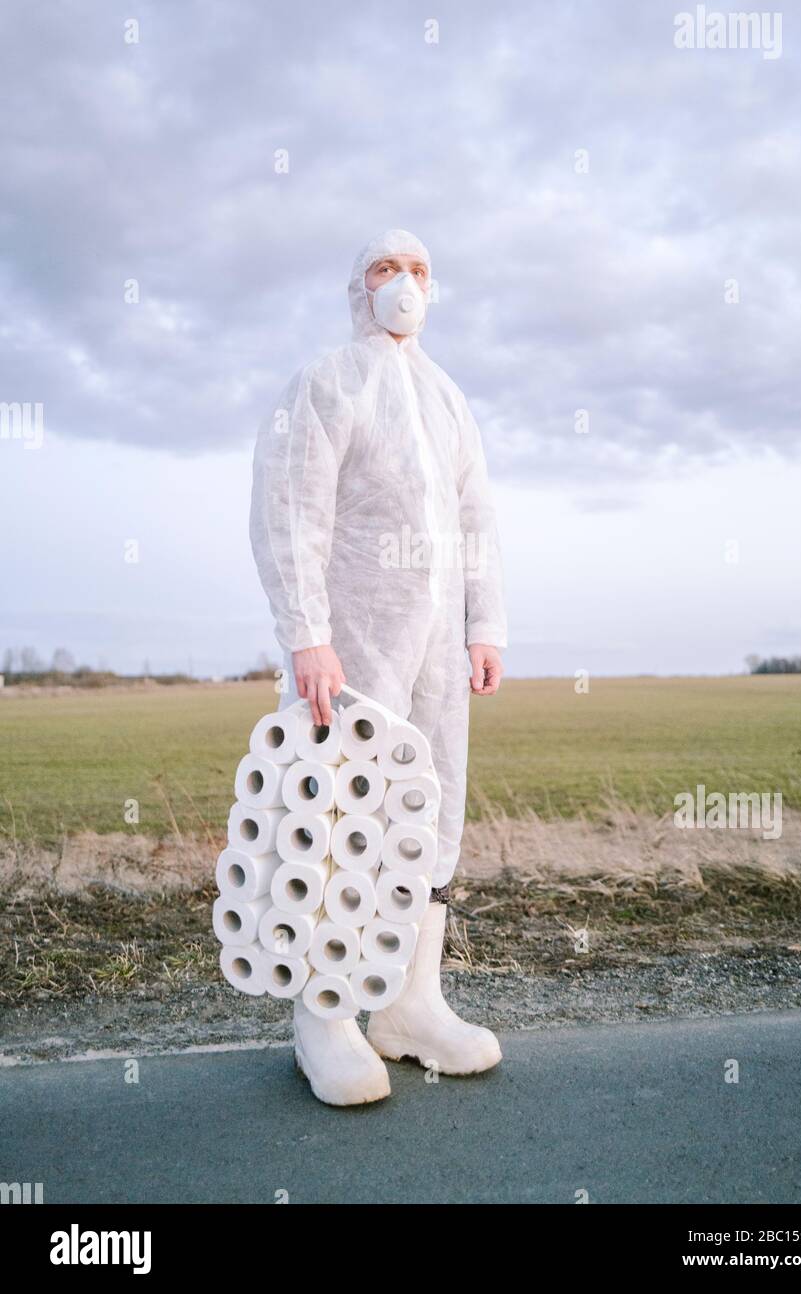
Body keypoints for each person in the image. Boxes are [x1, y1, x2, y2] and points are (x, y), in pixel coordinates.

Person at [250, 229, 507, 1105]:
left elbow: (474, 518)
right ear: (358, 289)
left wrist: (486, 626)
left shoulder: (445, 398)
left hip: (436, 649)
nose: (406, 285)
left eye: (421, 271)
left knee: (427, 812)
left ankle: (408, 1003)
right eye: (387, 270)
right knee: (333, 814)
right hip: (351, 644)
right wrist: (306, 632)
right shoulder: (327, 382)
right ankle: (323, 1020)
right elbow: (291, 510)